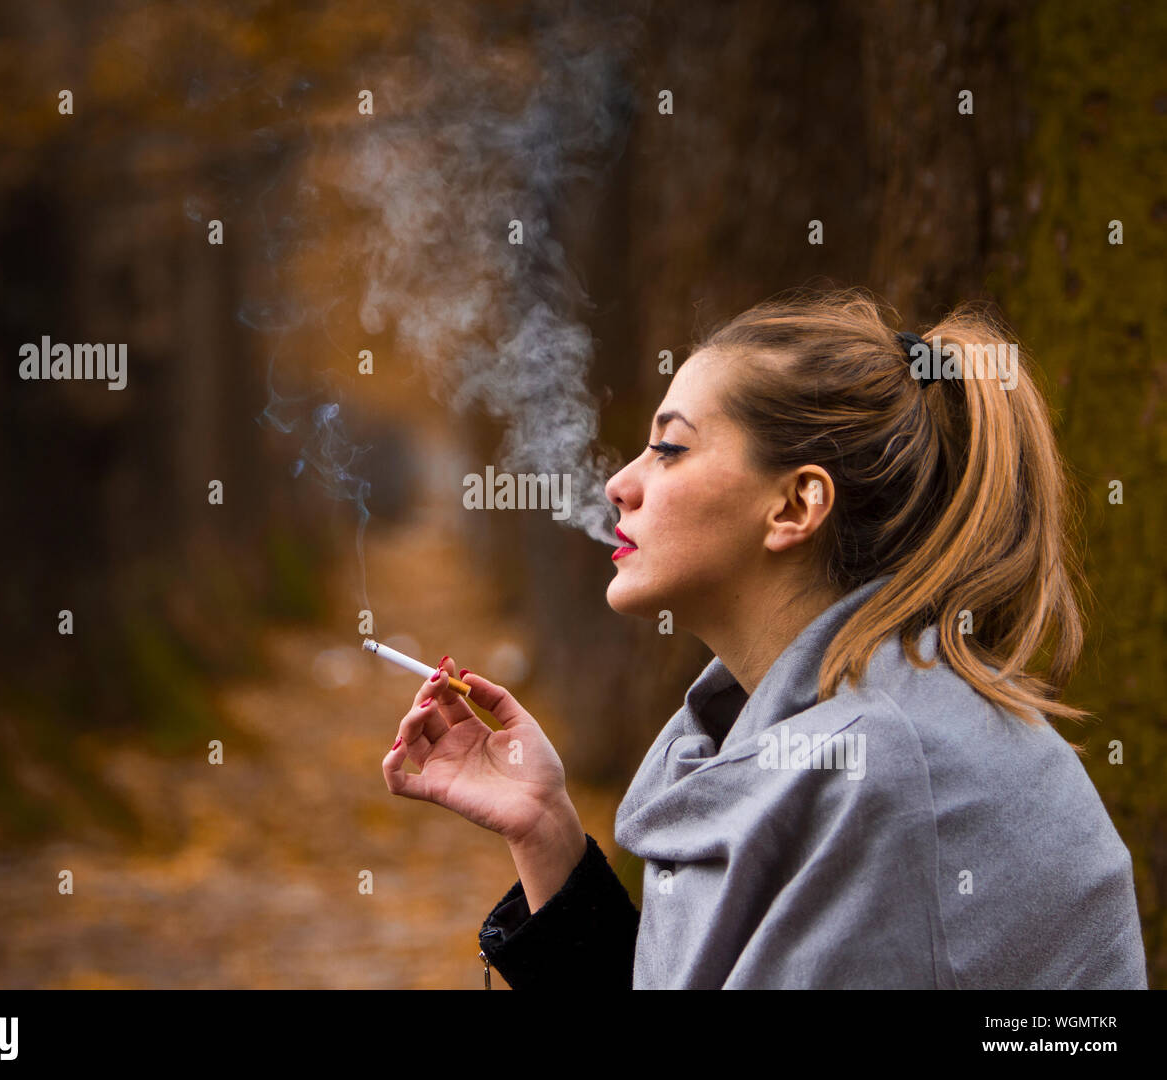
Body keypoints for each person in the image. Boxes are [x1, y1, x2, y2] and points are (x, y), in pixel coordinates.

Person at [381, 286, 1149, 989]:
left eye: (671, 448)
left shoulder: (879, 769)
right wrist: (546, 828)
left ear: (795, 506)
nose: (620, 483)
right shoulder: (789, 733)